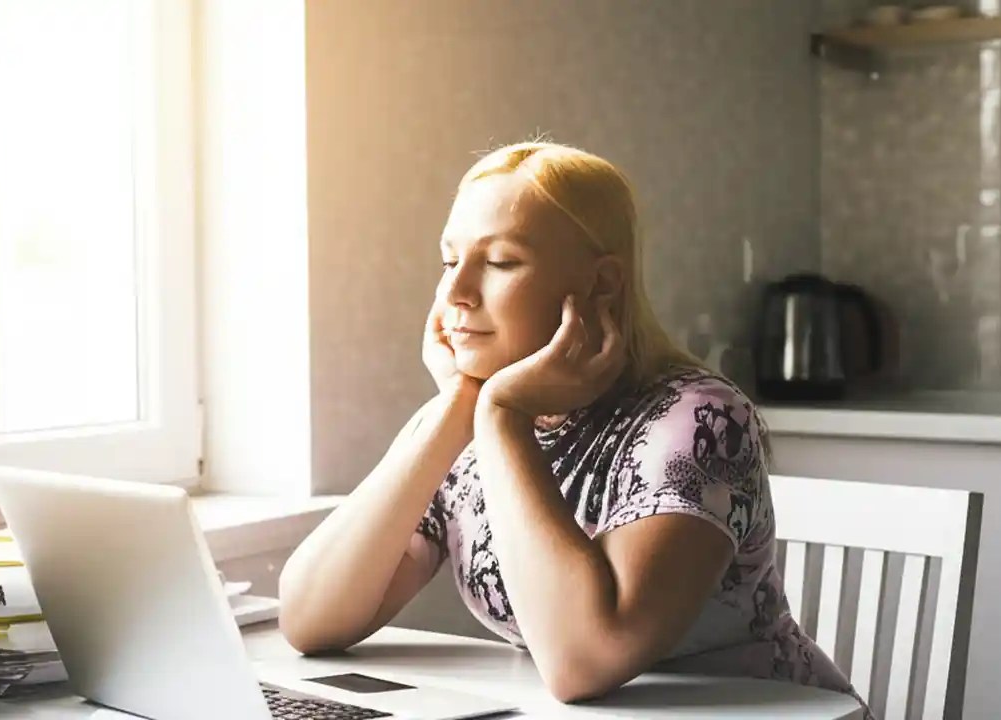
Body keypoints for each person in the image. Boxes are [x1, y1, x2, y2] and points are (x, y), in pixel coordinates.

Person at [278, 141, 870, 716]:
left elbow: (582, 663)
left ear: (602, 284)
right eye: (450, 261)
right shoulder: (475, 417)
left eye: (501, 262)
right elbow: (311, 620)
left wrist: (502, 418)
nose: (455, 293)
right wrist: (456, 406)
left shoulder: (699, 421)